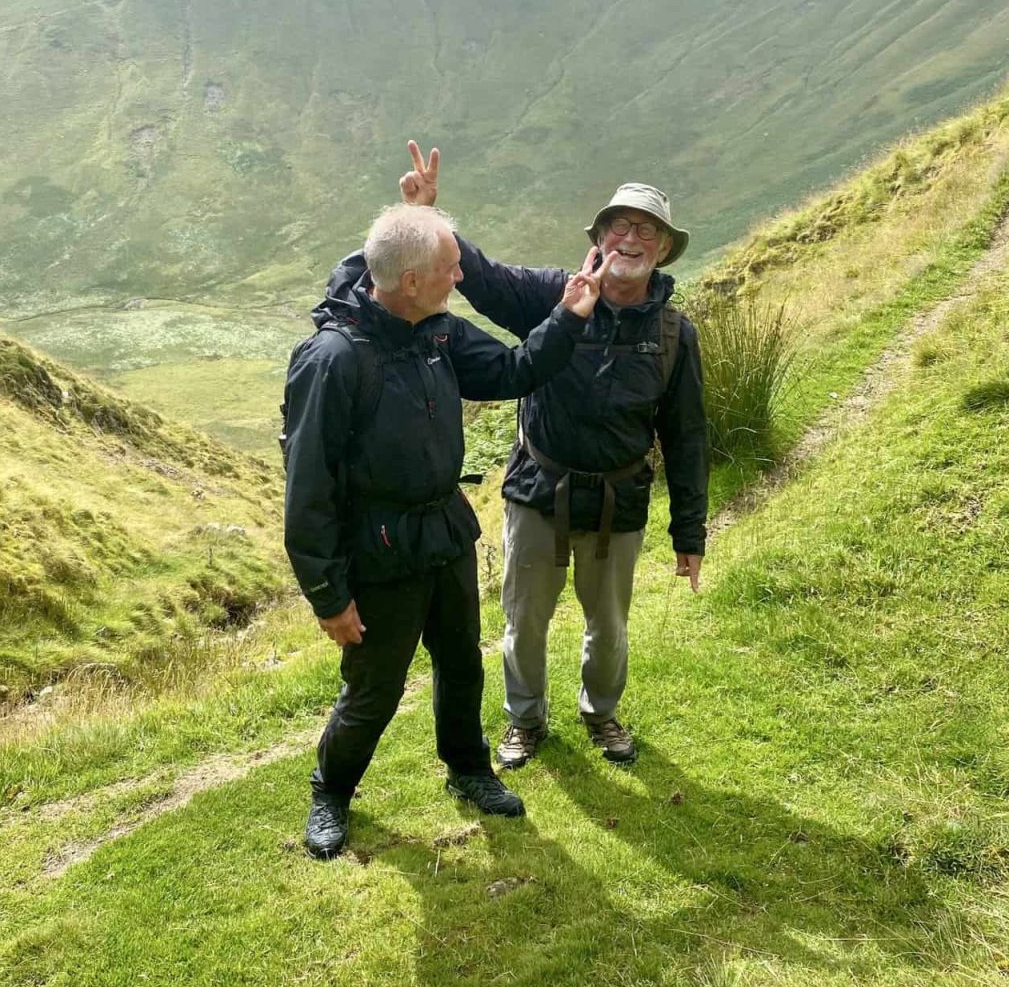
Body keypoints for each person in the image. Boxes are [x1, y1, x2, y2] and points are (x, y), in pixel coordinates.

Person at [282, 203, 613, 859]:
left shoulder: (436, 331)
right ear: (409, 281)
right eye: (450, 267)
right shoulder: (333, 359)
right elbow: (308, 487)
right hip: (378, 549)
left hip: (445, 530)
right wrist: (327, 595)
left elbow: (513, 371)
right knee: (374, 687)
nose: (461, 276)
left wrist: (569, 315)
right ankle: (331, 793)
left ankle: (468, 769)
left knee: (461, 663)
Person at [399, 144, 708, 768]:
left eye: (647, 230)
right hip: (539, 490)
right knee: (524, 620)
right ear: (598, 238)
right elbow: (482, 279)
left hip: (620, 502)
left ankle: (601, 713)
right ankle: (525, 719)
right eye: (619, 226)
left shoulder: (674, 333)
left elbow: (686, 435)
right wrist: (427, 217)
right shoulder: (551, 294)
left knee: (610, 625)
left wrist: (689, 532)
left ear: (664, 249)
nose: (631, 239)